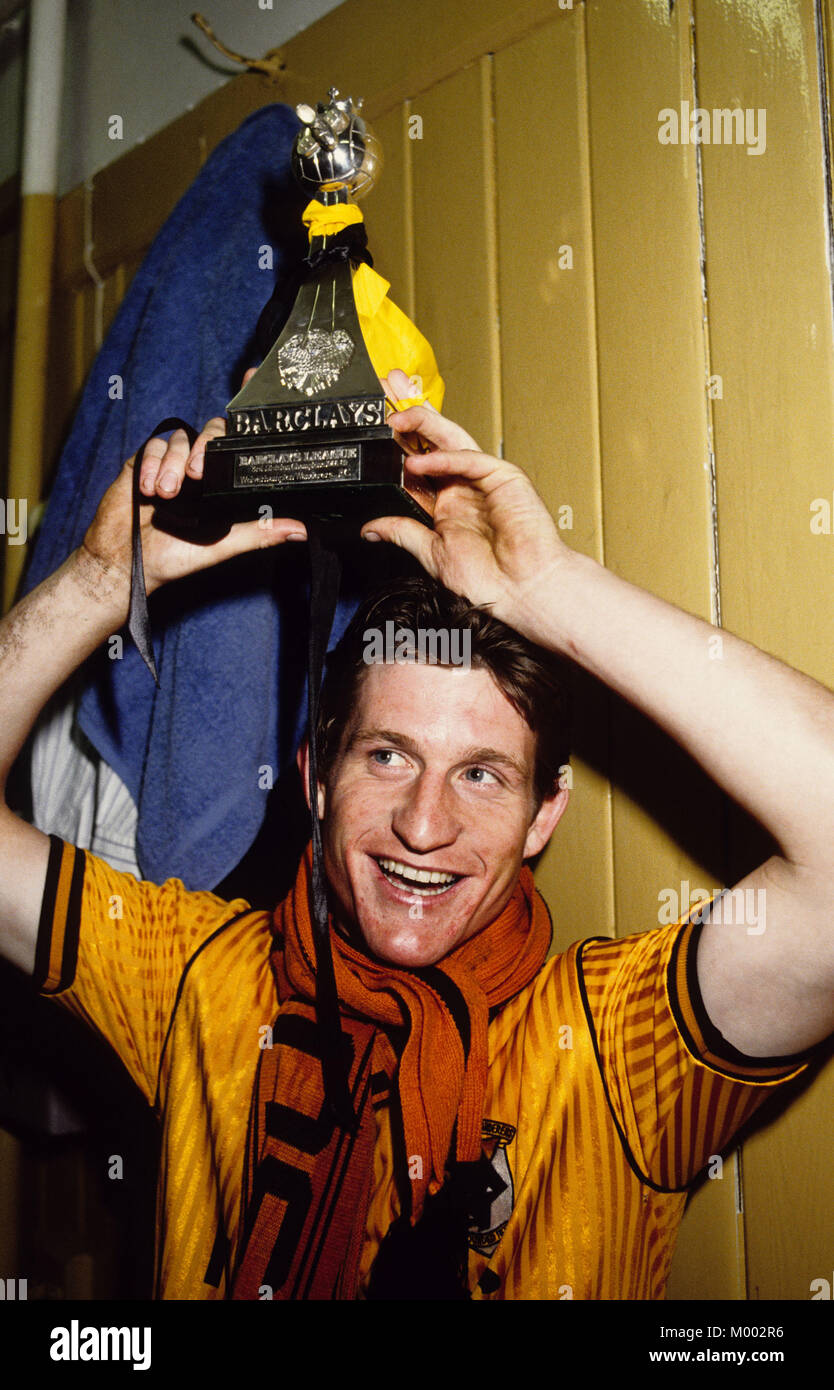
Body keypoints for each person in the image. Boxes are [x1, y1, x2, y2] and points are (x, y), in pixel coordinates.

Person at [1, 369, 833, 1301]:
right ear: (315, 780)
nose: (423, 826)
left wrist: (549, 588)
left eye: (481, 774)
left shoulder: (613, 1049)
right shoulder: (206, 979)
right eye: (388, 757)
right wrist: (99, 584)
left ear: (542, 816)